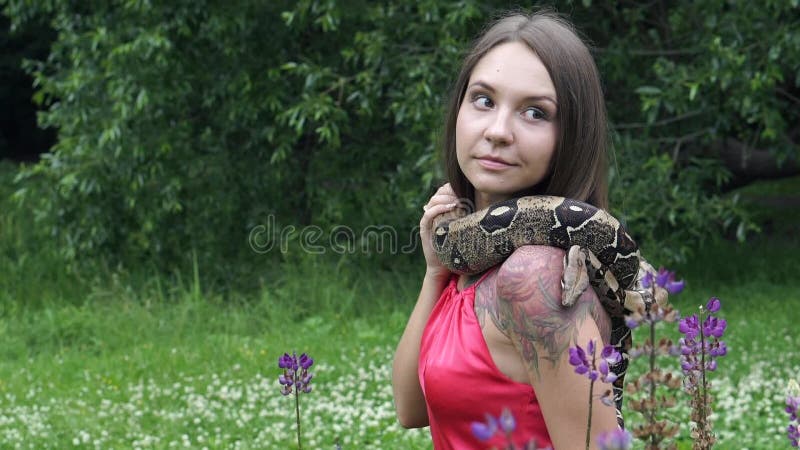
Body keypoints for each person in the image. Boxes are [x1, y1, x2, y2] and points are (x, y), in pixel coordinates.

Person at [392, 10, 620, 450]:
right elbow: (411, 407)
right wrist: (435, 272)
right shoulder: (475, 265)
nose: (498, 131)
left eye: (535, 112)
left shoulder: (534, 279)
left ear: (571, 136)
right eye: (483, 100)